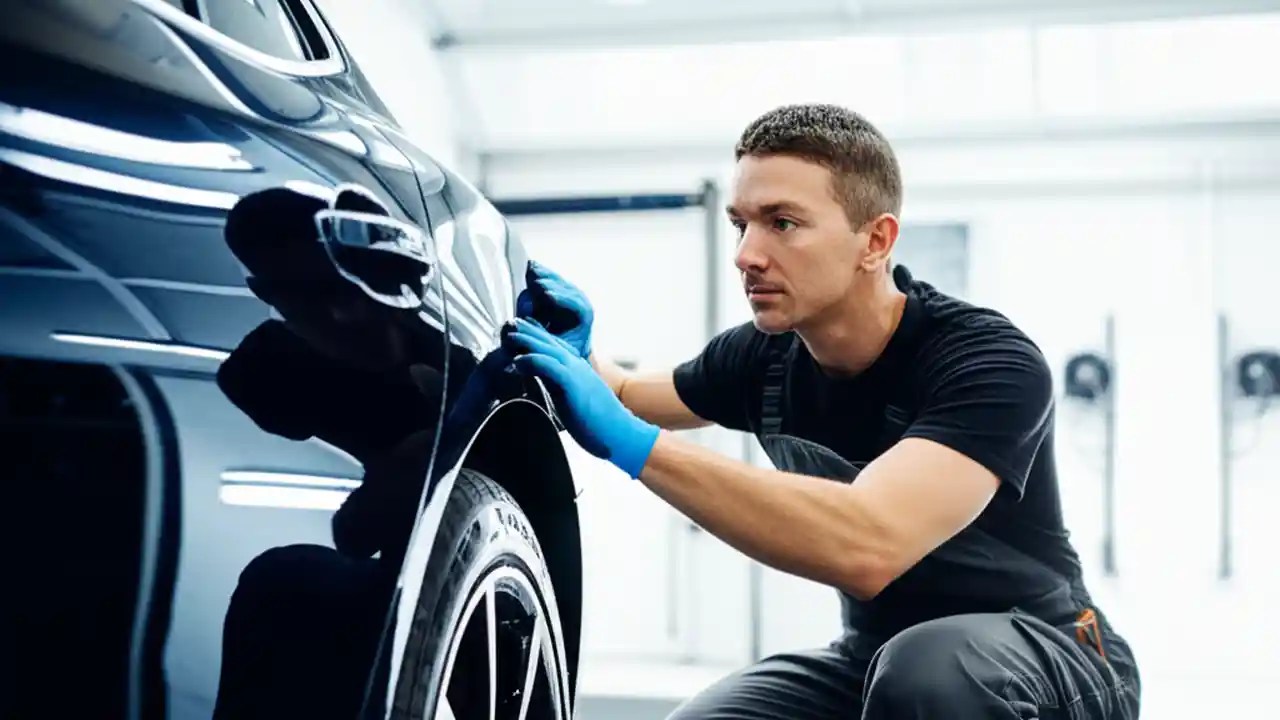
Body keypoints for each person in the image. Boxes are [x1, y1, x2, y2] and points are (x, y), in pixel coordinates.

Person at [501, 103, 1141, 719]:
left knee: (930, 674)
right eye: (740, 224)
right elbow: (627, 397)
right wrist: (575, 353)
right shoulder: (764, 358)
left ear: (875, 240)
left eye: (781, 222)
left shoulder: (987, 361)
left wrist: (636, 447)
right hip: (873, 658)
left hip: (1047, 652)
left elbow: (869, 544)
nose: (746, 254)